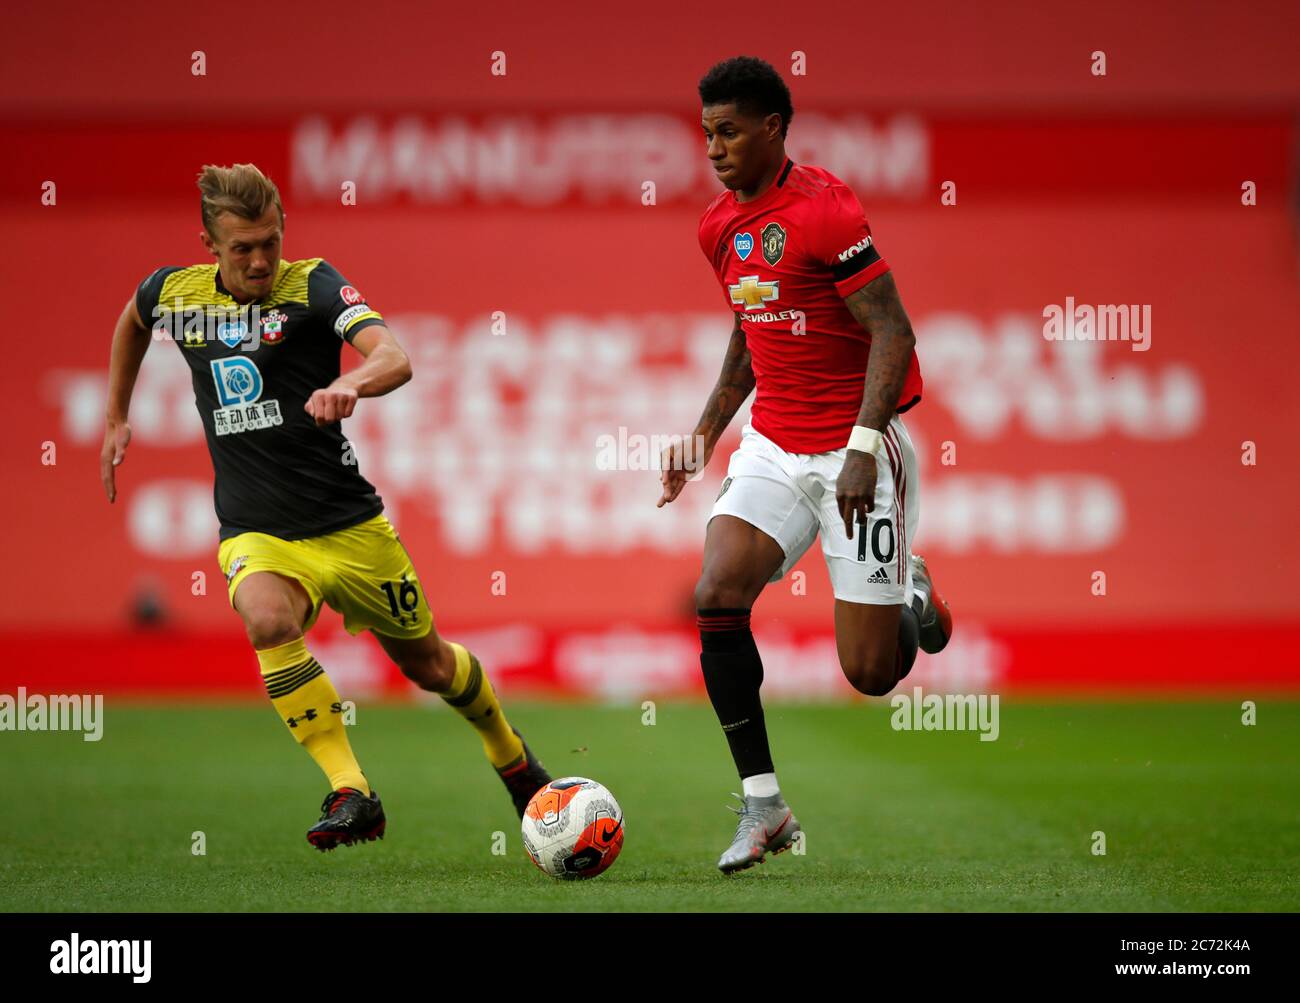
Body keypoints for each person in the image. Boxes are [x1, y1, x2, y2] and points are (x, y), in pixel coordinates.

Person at [100, 163, 551, 851]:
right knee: (265, 615)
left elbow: (394, 356)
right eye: (242, 247)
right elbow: (132, 322)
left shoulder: (310, 285)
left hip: (349, 526)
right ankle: (353, 790)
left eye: (269, 242)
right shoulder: (173, 292)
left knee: (428, 665)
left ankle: (510, 755)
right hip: (257, 529)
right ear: (208, 245)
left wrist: (353, 383)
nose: (259, 260)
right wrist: (115, 417)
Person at [658, 57, 954, 873]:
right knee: (716, 590)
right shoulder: (718, 227)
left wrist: (863, 448)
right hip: (776, 443)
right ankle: (764, 806)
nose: (713, 147)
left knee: (867, 673)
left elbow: (894, 332)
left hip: (857, 447)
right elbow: (751, 328)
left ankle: (910, 591)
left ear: (773, 129)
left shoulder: (826, 212)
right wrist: (704, 433)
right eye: (706, 131)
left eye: (728, 131)